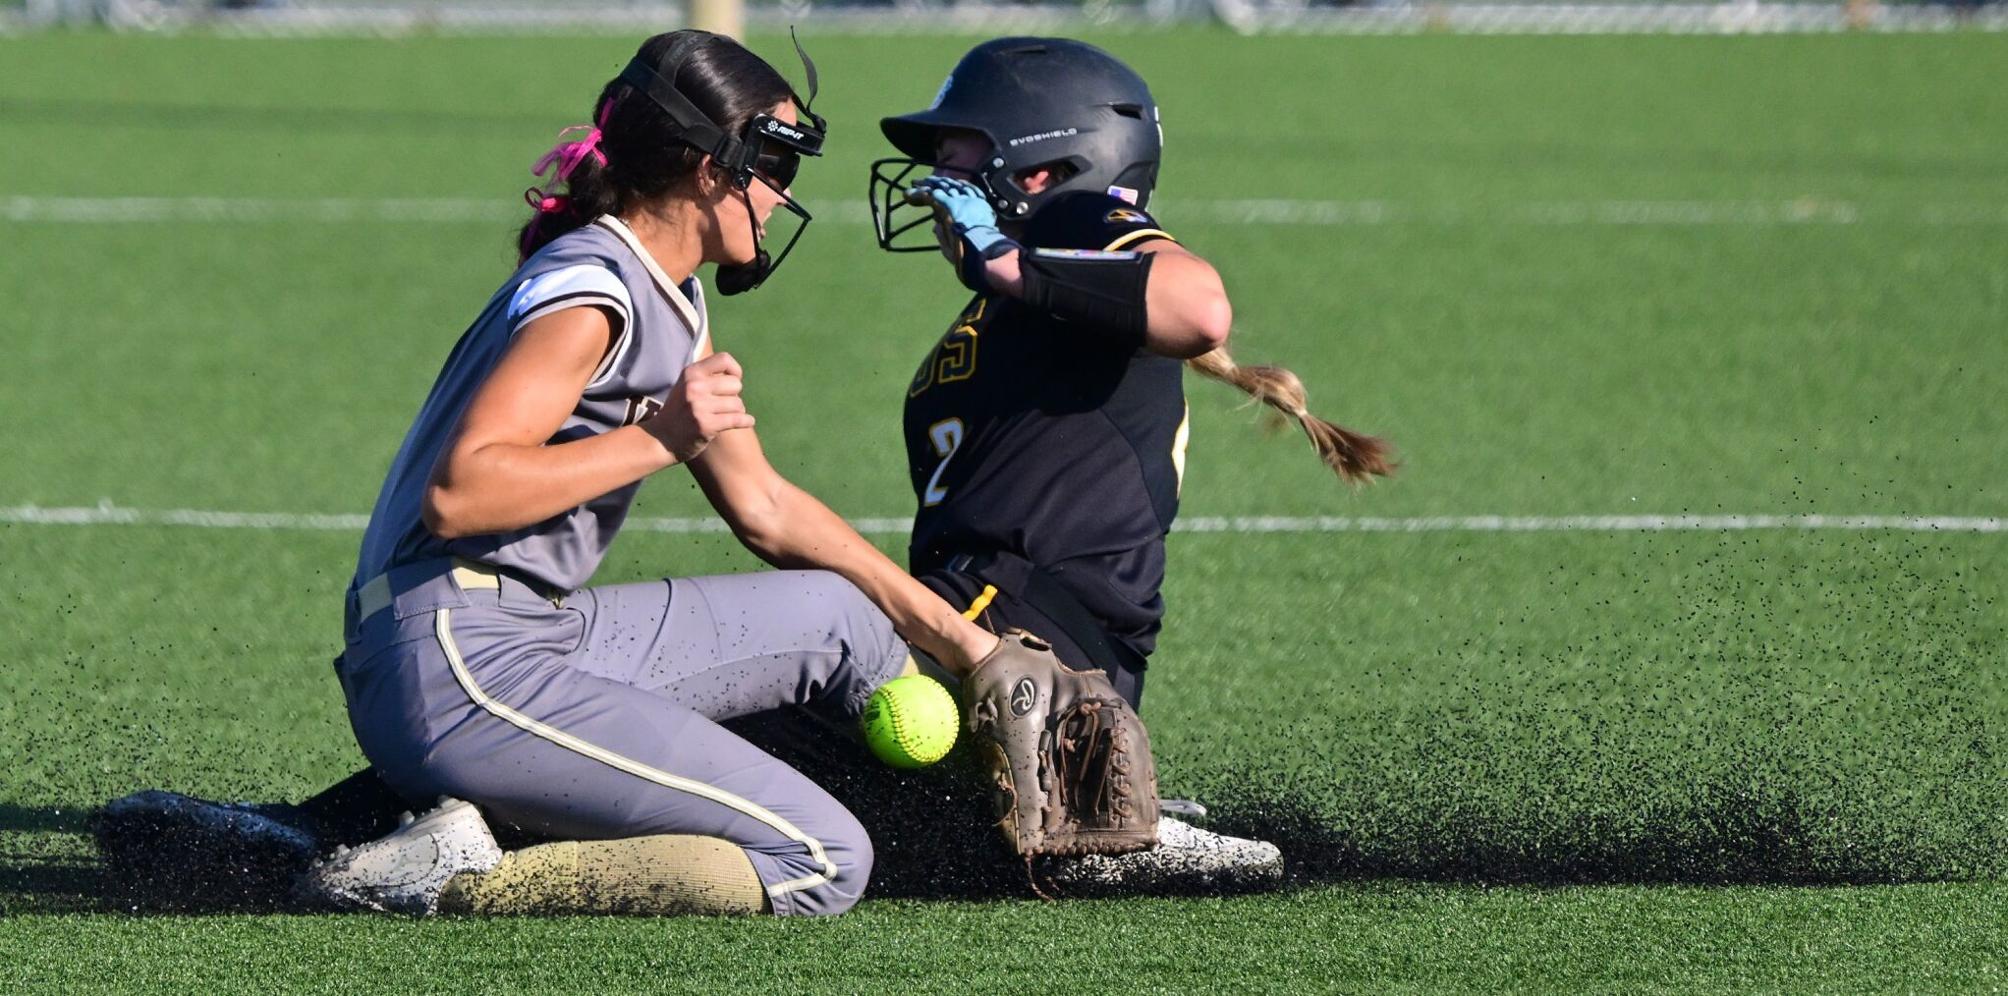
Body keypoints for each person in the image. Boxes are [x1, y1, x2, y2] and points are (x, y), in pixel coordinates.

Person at [104, 29, 1010, 919]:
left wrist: (970, 647)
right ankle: (452, 875)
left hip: (521, 632)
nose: (781, 195)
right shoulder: (591, 291)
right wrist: (659, 440)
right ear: (708, 167)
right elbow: (462, 494)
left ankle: (1012, 815)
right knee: (825, 858)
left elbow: (765, 506)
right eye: (774, 164)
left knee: (839, 617)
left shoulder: (666, 289)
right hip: (454, 658)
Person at [868, 36, 1394, 892]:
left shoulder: (1073, 227)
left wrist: (1009, 263)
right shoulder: (1032, 297)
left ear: (1039, 166)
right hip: (986, 632)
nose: (934, 172)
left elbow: (1199, 307)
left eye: (955, 149)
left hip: (1023, 643)